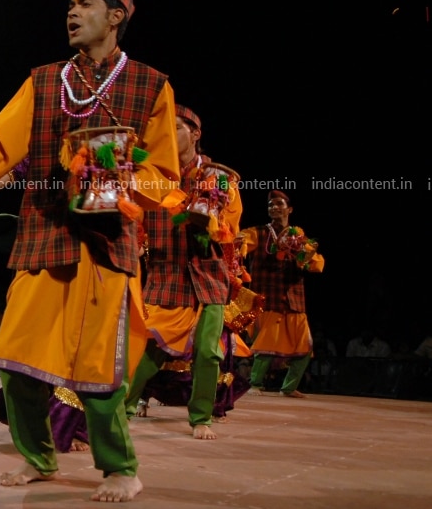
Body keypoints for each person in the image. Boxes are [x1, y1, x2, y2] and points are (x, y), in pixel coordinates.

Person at [0, 0, 180, 502]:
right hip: (44, 232)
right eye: (69, 5)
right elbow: (0, 143)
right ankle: (39, 457)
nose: (71, 13)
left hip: (107, 243)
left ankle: (121, 468)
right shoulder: (46, 80)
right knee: (14, 357)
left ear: (115, 16)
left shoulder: (151, 85)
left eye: (84, 4)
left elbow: (164, 175)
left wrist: (118, 181)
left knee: (98, 368)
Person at [123, 105, 242, 439]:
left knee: (208, 351)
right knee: (152, 349)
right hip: (166, 272)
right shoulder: (152, 177)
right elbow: (137, 223)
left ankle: (200, 417)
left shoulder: (219, 177)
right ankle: (125, 406)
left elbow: (228, 229)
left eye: (176, 128)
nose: (169, 135)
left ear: (195, 134)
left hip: (209, 275)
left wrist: (209, 218)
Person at [241, 191, 325, 398]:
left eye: (279, 204)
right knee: (266, 345)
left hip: (294, 301)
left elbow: (317, 265)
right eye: (270, 205)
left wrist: (303, 251)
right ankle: (256, 384)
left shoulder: (299, 236)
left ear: (290, 209)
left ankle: (288, 387)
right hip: (268, 299)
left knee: (305, 348)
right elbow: (238, 244)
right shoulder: (258, 233)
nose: (274, 208)